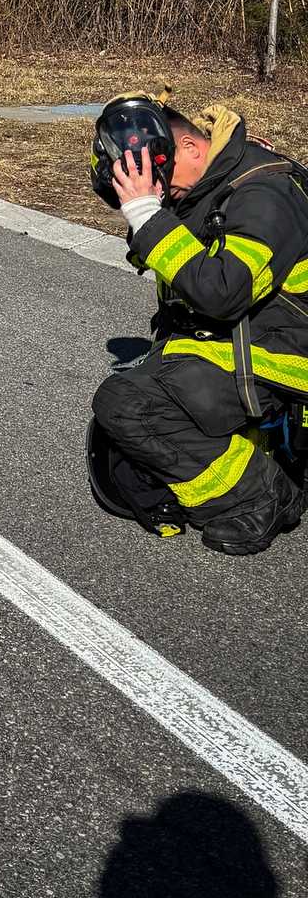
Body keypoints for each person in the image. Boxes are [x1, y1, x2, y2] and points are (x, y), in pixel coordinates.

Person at [89, 91, 308, 555]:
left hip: (290, 357)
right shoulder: (214, 186)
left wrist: (150, 217)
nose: (165, 194)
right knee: (120, 438)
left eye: (166, 182)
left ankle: (263, 496)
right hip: (254, 343)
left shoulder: (263, 194)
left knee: (128, 404)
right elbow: (183, 298)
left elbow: (222, 292)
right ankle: (257, 462)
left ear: (191, 147)